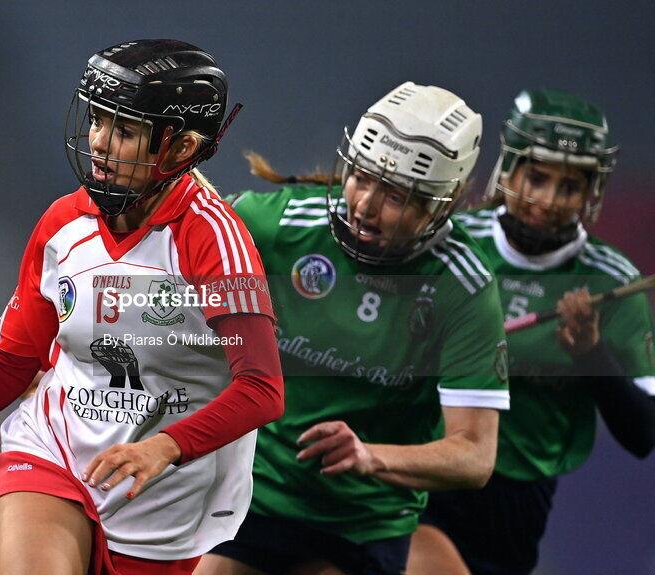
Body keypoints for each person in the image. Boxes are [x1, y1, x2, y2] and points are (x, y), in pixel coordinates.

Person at [0, 39, 285, 575]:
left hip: (165, 497)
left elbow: (261, 389)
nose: (98, 141)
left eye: (124, 130)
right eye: (97, 120)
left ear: (182, 147)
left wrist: (162, 448)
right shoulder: (62, 224)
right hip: (53, 454)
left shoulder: (211, 241)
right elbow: (12, 362)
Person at [195, 82, 510, 575]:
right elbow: (153, 265)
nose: (362, 205)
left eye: (394, 196)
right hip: (252, 499)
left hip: (365, 522)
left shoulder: (464, 288)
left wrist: (371, 457)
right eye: (360, 178)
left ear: (440, 206)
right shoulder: (279, 226)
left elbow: (474, 456)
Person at [407, 90, 655, 575]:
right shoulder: (448, 243)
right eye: (537, 178)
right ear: (509, 170)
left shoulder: (614, 280)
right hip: (422, 471)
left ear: (591, 193)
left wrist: (590, 353)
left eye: (570, 187)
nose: (549, 200)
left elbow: (643, 434)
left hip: (517, 501)